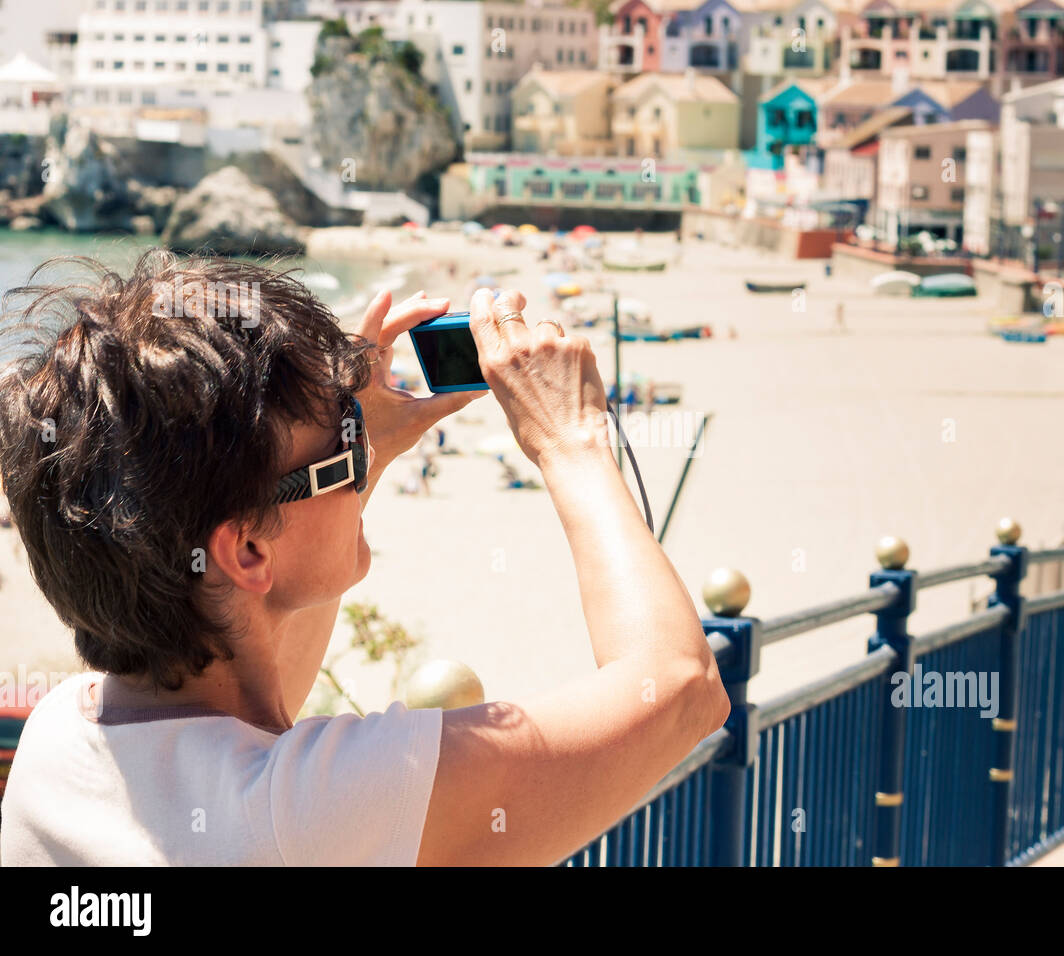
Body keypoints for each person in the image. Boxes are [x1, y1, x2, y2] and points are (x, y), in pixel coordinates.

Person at [0, 251, 728, 865]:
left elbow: (256, 680)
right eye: (341, 440)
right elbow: (680, 689)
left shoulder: (59, 742)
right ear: (248, 549)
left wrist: (354, 454)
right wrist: (571, 441)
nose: (359, 440)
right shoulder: (316, 814)